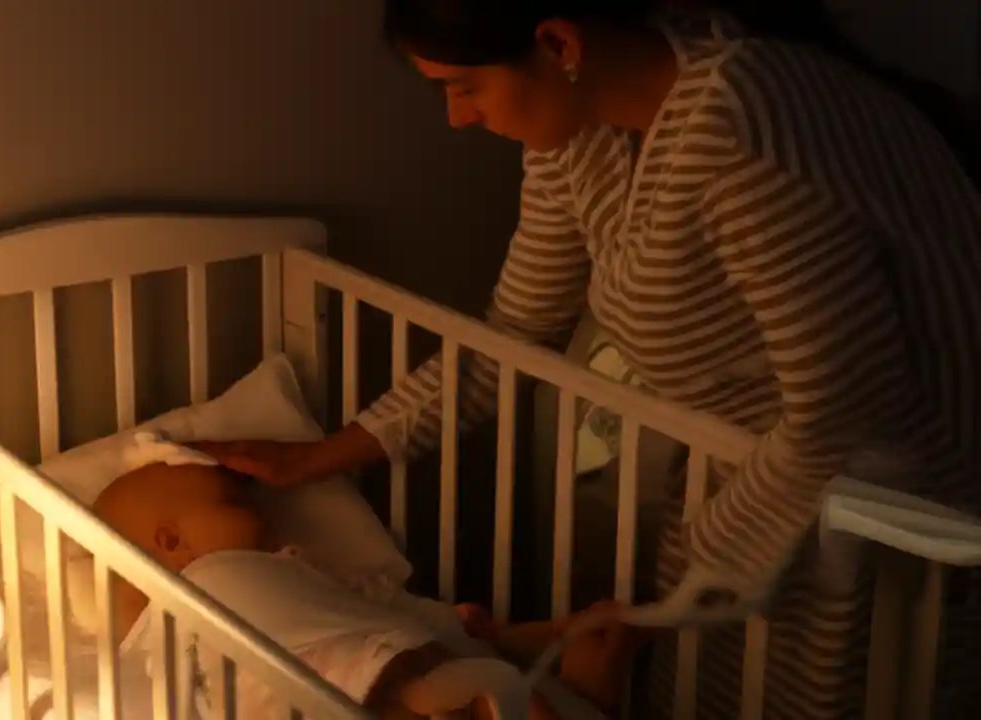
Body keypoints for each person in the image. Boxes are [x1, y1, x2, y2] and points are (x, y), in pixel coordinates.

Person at [194, 1, 981, 718]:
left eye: (465, 87)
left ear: (559, 44)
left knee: (837, 689)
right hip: (752, 471)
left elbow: (844, 410)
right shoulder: (580, 135)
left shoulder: (743, 136)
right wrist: (322, 456)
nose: (459, 118)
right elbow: (512, 335)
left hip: (877, 493)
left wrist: (696, 571)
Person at [92, 460, 641, 719]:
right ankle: (582, 696)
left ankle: (571, 677)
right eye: (233, 503)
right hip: (371, 684)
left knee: (473, 666)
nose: (260, 512)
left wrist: (457, 620)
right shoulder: (200, 586)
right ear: (171, 540)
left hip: (387, 674)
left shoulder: (290, 579)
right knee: (488, 689)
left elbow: (373, 610)